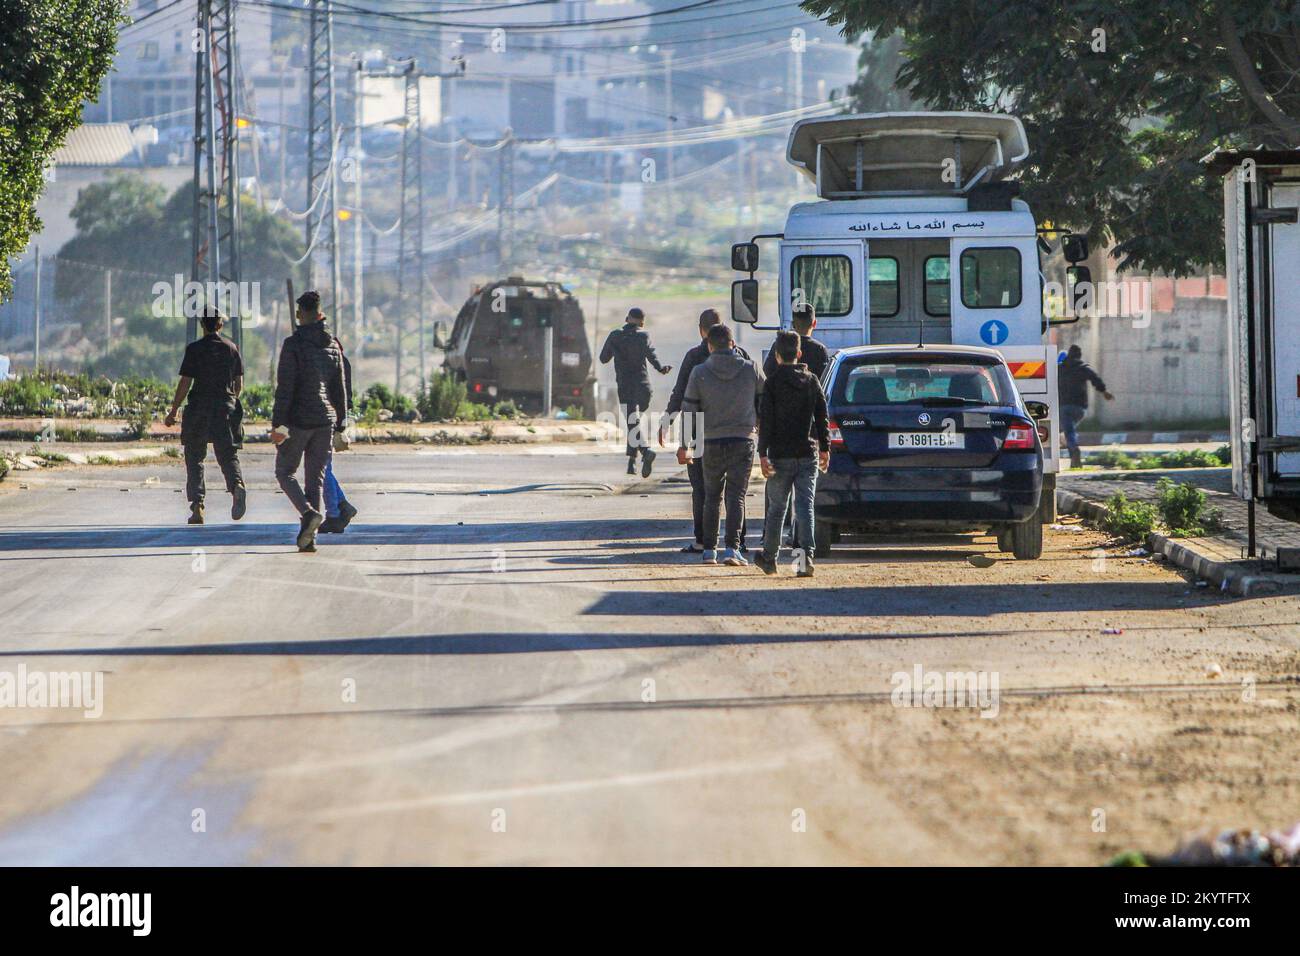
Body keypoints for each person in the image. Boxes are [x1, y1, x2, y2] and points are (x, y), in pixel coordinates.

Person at [659, 308, 753, 553]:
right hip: (738, 431)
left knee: (704, 490)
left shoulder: (694, 357)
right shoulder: (741, 355)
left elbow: (681, 394)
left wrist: (668, 420)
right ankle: (737, 543)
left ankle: (703, 541)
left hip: (701, 431)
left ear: (702, 331)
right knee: (736, 492)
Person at [271, 290, 348, 552]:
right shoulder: (333, 345)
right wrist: (341, 424)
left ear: (302, 314)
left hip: (298, 420)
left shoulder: (293, 345)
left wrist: (278, 425)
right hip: (325, 421)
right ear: (320, 312)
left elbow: (285, 389)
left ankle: (307, 513)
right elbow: (340, 389)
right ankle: (309, 539)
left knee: (284, 472)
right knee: (314, 479)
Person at [683, 323, 763, 566]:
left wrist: (684, 445)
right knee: (736, 496)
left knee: (711, 497)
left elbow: (689, 411)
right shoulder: (751, 369)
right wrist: (758, 423)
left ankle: (709, 551)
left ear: (709, 345)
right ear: (733, 344)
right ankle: (732, 549)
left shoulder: (698, 372)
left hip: (711, 441)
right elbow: (766, 398)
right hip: (742, 440)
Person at [756, 330, 830, 578]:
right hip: (807, 454)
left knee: (777, 509)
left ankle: (769, 559)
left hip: (779, 455)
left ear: (777, 356)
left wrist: (762, 454)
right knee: (805, 507)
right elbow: (822, 417)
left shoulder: (772, 384)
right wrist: (825, 448)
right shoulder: (812, 381)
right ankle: (804, 560)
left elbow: (765, 422)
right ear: (799, 353)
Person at [164, 307, 246, 525]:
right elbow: (239, 384)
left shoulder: (194, 350)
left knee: (195, 457)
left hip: (199, 410)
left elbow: (185, 382)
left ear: (202, 325)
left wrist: (173, 411)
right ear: (220, 325)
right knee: (228, 455)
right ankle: (237, 485)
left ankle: (198, 506)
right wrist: (229, 401)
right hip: (225, 410)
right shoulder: (231, 349)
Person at [599, 307, 671, 477]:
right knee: (634, 421)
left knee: (633, 422)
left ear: (627, 319)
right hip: (644, 388)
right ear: (641, 322)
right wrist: (661, 369)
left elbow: (603, 359)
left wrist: (615, 347)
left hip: (626, 386)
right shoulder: (643, 336)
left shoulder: (615, 335)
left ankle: (646, 451)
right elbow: (652, 356)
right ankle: (631, 462)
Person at [320, 342, 358, 534]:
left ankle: (334, 513)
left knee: (322, 468)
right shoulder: (343, 361)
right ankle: (341, 505)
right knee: (325, 467)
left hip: (325, 418)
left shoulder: (331, 361)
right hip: (335, 418)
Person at [1058, 344, 1113, 469]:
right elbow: (1095, 379)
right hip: (1080, 407)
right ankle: (1072, 448)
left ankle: (1073, 449)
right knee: (1069, 429)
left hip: (1064, 406)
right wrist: (1104, 391)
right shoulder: (1083, 368)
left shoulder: (1060, 369)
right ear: (1079, 356)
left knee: (1068, 430)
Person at [763, 304, 829, 380]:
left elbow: (768, 370)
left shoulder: (780, 344)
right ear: (814, 324)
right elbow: (824, 377)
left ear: (793, 324)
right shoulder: (819, 349)